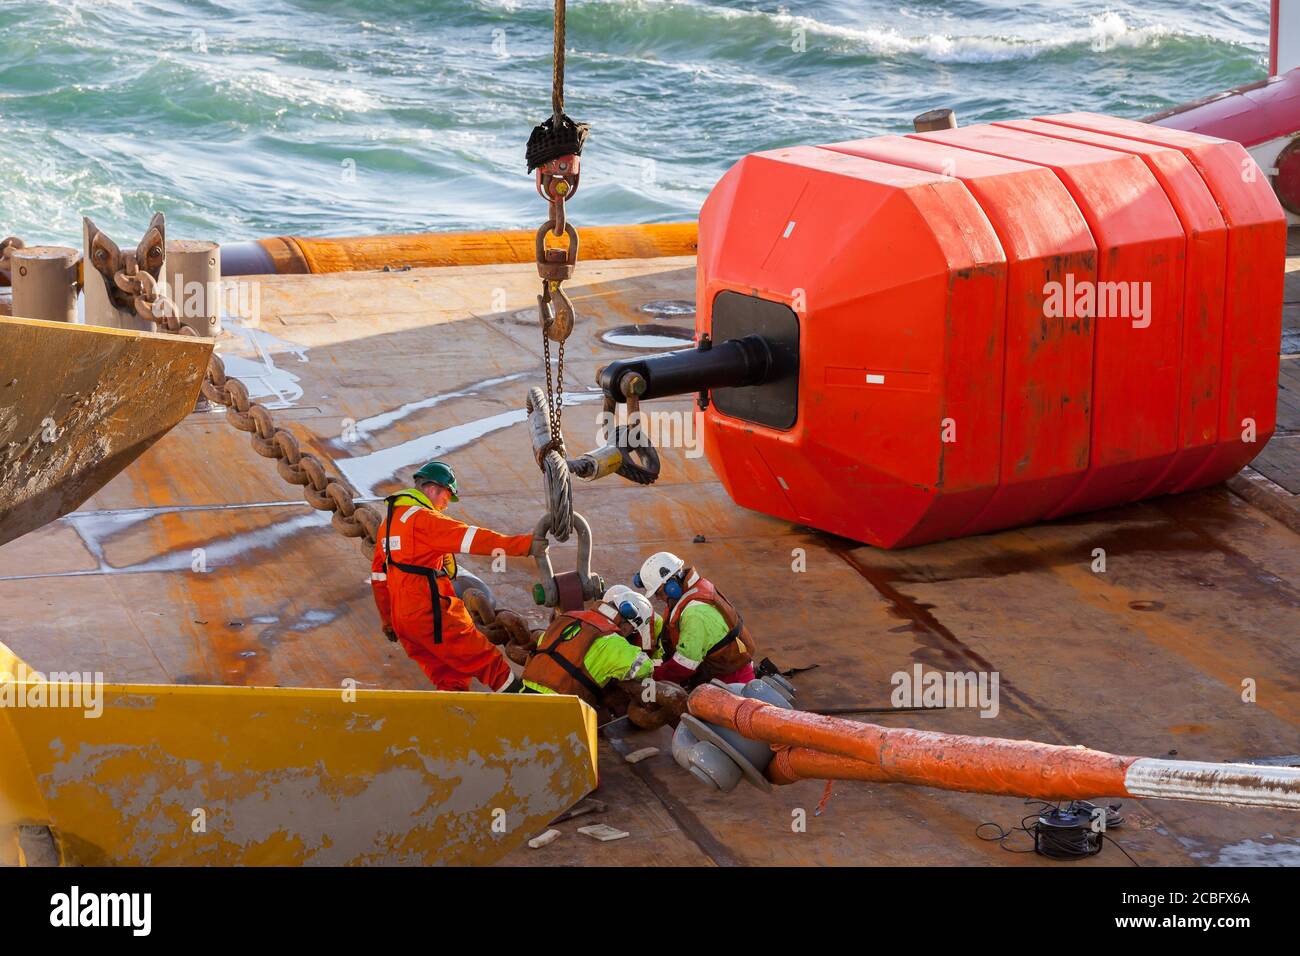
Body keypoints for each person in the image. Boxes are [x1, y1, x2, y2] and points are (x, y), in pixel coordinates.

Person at [370, 460, 542, 692]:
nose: (446, 503)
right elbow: (474, 539)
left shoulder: (388, 525)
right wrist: (526, 545)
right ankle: (526, 702)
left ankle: (453, 719)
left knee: (450, 678)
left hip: (405, 624)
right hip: (432, 616)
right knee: (487, 661)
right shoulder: (424, 520)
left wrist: (388, 621)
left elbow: (379, 579)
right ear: (433, 489)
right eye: (447, 495)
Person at [634, 551, 757, 688]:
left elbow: (684, 665)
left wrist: (653, 677)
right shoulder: (692, 590)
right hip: (718, 673)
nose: (657, 598)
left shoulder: (695, 613)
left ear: (671, 586)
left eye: (658, 592)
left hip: (732, 681)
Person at [520, 585, 657, 705]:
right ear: (629, 626)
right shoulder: (613, 641)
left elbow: (542, 644)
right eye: (632, 631)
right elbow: (645, 667)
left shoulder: (565, 618)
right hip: (560, 707)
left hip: (523, 695)